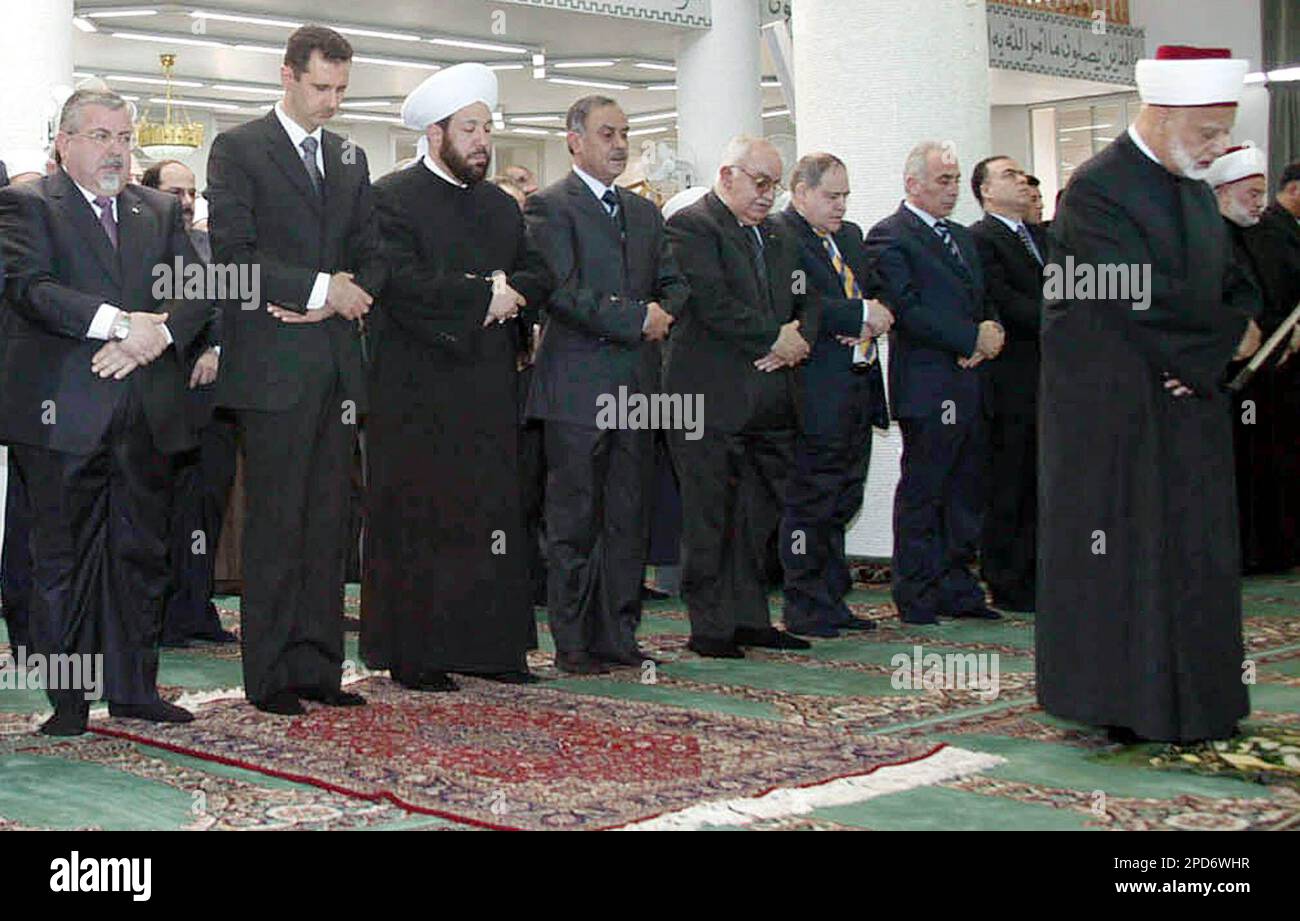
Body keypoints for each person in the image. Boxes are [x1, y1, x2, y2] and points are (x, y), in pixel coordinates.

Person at [1037, 45, 1262, 744]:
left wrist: (1219, 344)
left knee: (1196, 553)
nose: (1216, 148)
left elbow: (1233, 283)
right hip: (1117, 413)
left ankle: (1198, 700)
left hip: (1186, 400)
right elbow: (1129, 297)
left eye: (1223, 133)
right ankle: (1122, 704)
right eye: (1206, 133)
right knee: (1125, 556)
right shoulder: (1099, 188)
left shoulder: (1194, 187)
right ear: (1161, 115)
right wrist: (1211, 346)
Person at [0, 87, 211, 734]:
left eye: (124, 138)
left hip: (145, 411)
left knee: (140, 554)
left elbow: (197, 291)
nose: (116, 150)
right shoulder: (28, 205)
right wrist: (121, 325)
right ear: (64, 142)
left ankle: (134, 689)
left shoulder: (157, 209)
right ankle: (69, 700)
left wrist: (160, 334)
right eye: (100, 136)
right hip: (60, 416)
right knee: (60, 561)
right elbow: (31, 289)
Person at [206, 25, 385, 715]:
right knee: (277, 524)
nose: (332, 102)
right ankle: (271, 675)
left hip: (336, 364)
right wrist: (318, 291)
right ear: (287, 76)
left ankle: (318, 667)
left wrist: (342, 297)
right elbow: (234, 256)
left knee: (327, 524)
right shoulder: (239, 149)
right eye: (320, 87)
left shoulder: (348, 156)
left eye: (342, 89)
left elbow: (374, 254)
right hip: (274, 367)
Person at [361, 63, 553, 690]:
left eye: (487, 129)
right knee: (421, 515)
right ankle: (416, 652)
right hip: (416, 387)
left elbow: (539, 273)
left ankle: (488, 646)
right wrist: (482, 299)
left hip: (487, 385)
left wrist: (510, 295)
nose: (481, 141)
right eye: (469, 128)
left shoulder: (500, 205)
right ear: (435, 131)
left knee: (490, 515)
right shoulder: (389, 197)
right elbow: (398, 282)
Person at [524, 95, 689, 673]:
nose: (618, 145)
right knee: (573, 520)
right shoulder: (549, 208)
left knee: (627, 515)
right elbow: (561, 292)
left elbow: (674, 283)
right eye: (606, 134)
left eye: (624, 134)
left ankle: (619, 633)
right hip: (577, 391)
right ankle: (572, 642)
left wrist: (661, 310)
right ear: (574, 140)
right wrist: (636, 319)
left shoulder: (645, 214)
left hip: (638, 390)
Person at [665, 136, 817, 659]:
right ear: (727, 175)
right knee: (710, 515)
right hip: (708, 400)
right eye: (760, 183)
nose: (768, 195)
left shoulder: (778, 235)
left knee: (758, 519)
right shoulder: (692, 226)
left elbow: (808, 297)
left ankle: (752, 618)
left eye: (775, 185)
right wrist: (772, 337)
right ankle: (710, 627)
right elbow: (709, 301)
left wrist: (797, 340)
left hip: (771, 400)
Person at [867, 141, 1002, 625]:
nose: (952, 191)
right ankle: (917, 593)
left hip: (970, 382)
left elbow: (983, 300)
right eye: (943, 181)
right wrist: (968, 338)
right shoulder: (889, 236)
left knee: (966, 493)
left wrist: (989, 334)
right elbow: (907, 308)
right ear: (913, 184)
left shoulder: (963, 239)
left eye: (955, 180)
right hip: (928, 386)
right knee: (925, 492)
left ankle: (958, 587)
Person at [769, 152, 891, 637]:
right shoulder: (783, 236)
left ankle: (833, 597)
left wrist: (874, 312)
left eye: (845, 196)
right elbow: (800, 302)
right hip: (815, 390)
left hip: (859, 386)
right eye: (830, 196)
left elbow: (878, 292)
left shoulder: (851, 236)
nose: (841, 205)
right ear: (801, 192)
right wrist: (855, 316)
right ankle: (803, 602)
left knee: (844, 496)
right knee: (810, 501)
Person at [1208, 146, 1300, 575]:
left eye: (1262, 193)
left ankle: (1272, 546)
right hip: (1230, 379)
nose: (1259, 202)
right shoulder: (1209, 237)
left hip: (1272, 373)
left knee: (1270, 458)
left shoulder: (1262, 234)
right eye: (1251, 193)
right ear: (1224, 191)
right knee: (1239, 462)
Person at [969, 155, 1044, 612]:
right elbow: (1004, 301)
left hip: (1048, 375)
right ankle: (1008, 579)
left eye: (1022, 174)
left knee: (1041, 479)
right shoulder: (982, 239)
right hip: (1011, 378)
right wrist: (1061, 319)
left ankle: (1040, 570)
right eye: (1008, 175)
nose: (1021, 181)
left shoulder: (1040, 236)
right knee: (1009, 480)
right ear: (985, 192)